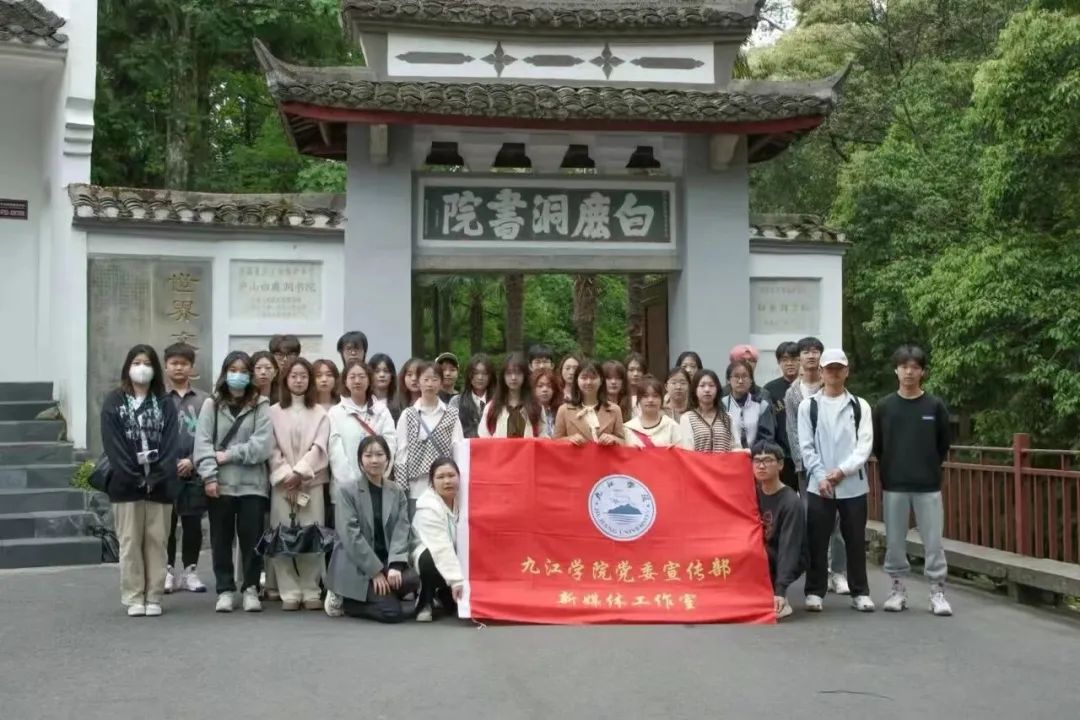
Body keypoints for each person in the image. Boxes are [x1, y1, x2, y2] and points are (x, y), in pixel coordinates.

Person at [874, 344, 953, 616]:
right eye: (904, 366)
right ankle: (897, 589)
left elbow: (943, 444)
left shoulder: (934, 405)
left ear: (923, 372)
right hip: (894, 484)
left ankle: (937, 591)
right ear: (896, 370)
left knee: (933, 541)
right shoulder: (884, 407)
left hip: (928, 485)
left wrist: (929, 466)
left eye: (915, 367)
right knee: (895, 540)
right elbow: (878, 445)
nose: (909, 372)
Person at [101, 344, 179, 617]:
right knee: (130, 541)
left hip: (161, 486)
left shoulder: (165, 402)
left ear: (155, 369)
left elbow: (171, 444)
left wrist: (156, 475)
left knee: (157, 541)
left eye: (147, 362)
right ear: (127, 367)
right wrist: (133, 475)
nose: (141, 367)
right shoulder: (115, 401)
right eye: (136, 362)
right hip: (126, 486)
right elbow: (113, 445)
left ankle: (154, 595)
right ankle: (134, 596)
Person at [193, 351, 274, 614]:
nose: (237, 375)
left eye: (243, 370)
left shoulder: (261, 405)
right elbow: (202, 443)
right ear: (225, 373)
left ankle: (250, 588)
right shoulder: (211, 405)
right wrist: (209, 475)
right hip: (221, 484)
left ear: (250, 375)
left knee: (252, 538)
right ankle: (225, 589)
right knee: (221, 539)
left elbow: (261, 447)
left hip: (253, 486)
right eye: (233, 369)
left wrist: (228, 454)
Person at [798, 348, 874, 613]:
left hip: (852, 484)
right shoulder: (809, 406)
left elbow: (864, 446)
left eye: (838, 368)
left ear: (846, 371)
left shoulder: (859, 405)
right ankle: (815, 591)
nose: (833, 373)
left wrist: (842, 471)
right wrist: (821, 475)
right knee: (817, 539)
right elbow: (806, 446)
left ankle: (860, 592)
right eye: (828, 368)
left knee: (854, 539)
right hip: (819, 486)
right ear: (820, 372)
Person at [325, 435, 419, 622]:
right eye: (368, 455)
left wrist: (395, 566)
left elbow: (402, 529)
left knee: (414, 578)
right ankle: (349, 602)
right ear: (360, 460)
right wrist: (375, 572)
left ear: (387, 459)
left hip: (386, 562)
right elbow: (351, 536)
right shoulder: (346, 491)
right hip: (357, 564)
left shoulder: (396, 490)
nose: (374, 460)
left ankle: (380, 594)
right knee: (393, 613)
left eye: (379, 454)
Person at [784, 336, 848, 594]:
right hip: (808, 470)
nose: (810, 356)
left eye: (815, 352)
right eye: (806, 352)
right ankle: (817, 574)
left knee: (840, 521)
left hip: (838, 468)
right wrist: (807, 465)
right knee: (816, 522)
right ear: (798, 358)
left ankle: (839, 572)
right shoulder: (793, 394)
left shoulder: (833, 386)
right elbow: (793, 433)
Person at [268, 358, 330, 611]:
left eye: (304, 375)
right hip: (282, 486)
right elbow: (270, 448)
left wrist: (301, 472)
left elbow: (320, 447)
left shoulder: (321, 413)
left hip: (310, 484)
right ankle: (289, 591)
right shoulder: (272, 412)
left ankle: (311, 588)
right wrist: (286, 475)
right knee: (280, 536)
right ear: (285, 379)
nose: (299, 380)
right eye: (294, 375)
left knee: (311, 536)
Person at [162, 342, 210, 595]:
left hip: (195, 470)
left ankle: (190, 570)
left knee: (192, 524)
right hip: (166, 472)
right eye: (174, 363)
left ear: (192, 367)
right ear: (166, 366)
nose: (179, 367)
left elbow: (211, 435)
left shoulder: (204, 400)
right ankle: (167, 570)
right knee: (166, 524)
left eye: (184, 363)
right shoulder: (158, 399)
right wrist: (170, 461)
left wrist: (193, 459)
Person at [396, 361, 465, 514]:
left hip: (444, 486)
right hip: (416, 487)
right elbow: (401, 453)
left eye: (434, 379)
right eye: (425, 379)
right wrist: (401, 490)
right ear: (418, 382)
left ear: (441, 383)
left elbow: (457, 450)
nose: (430, 384)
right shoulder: (408, 415)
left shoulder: (451, 414)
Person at [752, 440, 806, 620]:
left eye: (768, 460)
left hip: (784, 554)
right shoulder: (751, 494)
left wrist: (781, 590)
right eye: (757, 461)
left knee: (765, 551)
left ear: (780, 465)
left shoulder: (791, 502)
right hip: (761, 551)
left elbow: (789, 546)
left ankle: (779, 596)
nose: (761, 466)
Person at [411, 457, 465, 622]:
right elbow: (440, 547)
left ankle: (441, 591)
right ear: (432, 482)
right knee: (429, 559)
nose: (447, 481)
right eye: (440, 477)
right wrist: (456, 581)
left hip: (456, 553)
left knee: (452, 609)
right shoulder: (427, 506)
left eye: (451, 475)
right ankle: (424, 599)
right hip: (429, 552)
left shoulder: (464, 499)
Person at [553, 359, 625, 446]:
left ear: (601, 380)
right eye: (584, 378)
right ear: (577, 380)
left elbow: (623, 443)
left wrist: (614, 439)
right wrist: (569, 439)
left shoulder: (614, 410)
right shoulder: (564, 410)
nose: (588, 382)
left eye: (593, 378)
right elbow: (555, 443)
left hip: (606, 459)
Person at [764, 341, 801, 493]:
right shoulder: (770, 390)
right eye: (785, 360)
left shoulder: (808, 386)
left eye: (794, 359)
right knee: (784, 497)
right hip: (783, 457)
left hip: (806, 455)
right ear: (779, 362)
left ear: (800, 361)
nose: (790, 363)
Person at [479, 353, 539, 438]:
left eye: (518, 373)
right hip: (500, 451)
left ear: (524, 375)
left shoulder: (536, 407)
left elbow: (543, 439)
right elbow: (483, 439)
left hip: (528, 451)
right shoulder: (492, 408)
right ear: (503, 376)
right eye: (509, 373)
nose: (513, 377)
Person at [679, 369, 739, 453]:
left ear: (717, 389)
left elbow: (736, 448)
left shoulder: (727, 418)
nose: (707, 389)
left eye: (711, 385)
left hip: (723, 465)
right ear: (695, 390)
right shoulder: (687, 418)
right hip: (697, 465)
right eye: (702, 385)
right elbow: (687, 451)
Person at [721, 360, 775, 448]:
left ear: (751, 380)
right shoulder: (722, 405)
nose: (740, 381)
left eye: (745, 376)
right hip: (729, 457)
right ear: (728, 380)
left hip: (756, 457)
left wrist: (752, 453)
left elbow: (767, 437)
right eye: (736, 376)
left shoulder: (761, 405)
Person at [625, 376, 682, 447]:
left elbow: (683, 454)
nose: (650, 400)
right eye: (645, 396)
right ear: (639, 400)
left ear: (661, 399)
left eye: (655, 396)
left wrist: (676, 450)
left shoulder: (671, 426)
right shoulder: (627, 429)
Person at [450, 353, 494, 439]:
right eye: (476, 373)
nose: (480, 377)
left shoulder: (498, 401)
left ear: (490, 376)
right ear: (469, 375)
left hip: (492, 450)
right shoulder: (457, 401)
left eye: (484, 373)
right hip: (466, 450)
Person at [368, 353, 402, 422]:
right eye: (377, 371)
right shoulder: (363, 401)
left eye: (386, 371)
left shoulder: (400, 402)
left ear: (391, 376)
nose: (382, 375)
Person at [532, 368, 562, 438]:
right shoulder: (526, 411)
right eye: (540, 386)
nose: (545, 389)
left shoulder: (561, 410)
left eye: (549, 386)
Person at [625, 352, 648, 417]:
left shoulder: (650, 396)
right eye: (631, 370)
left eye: (639, 370)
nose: (635, 374)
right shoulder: (620, 396)